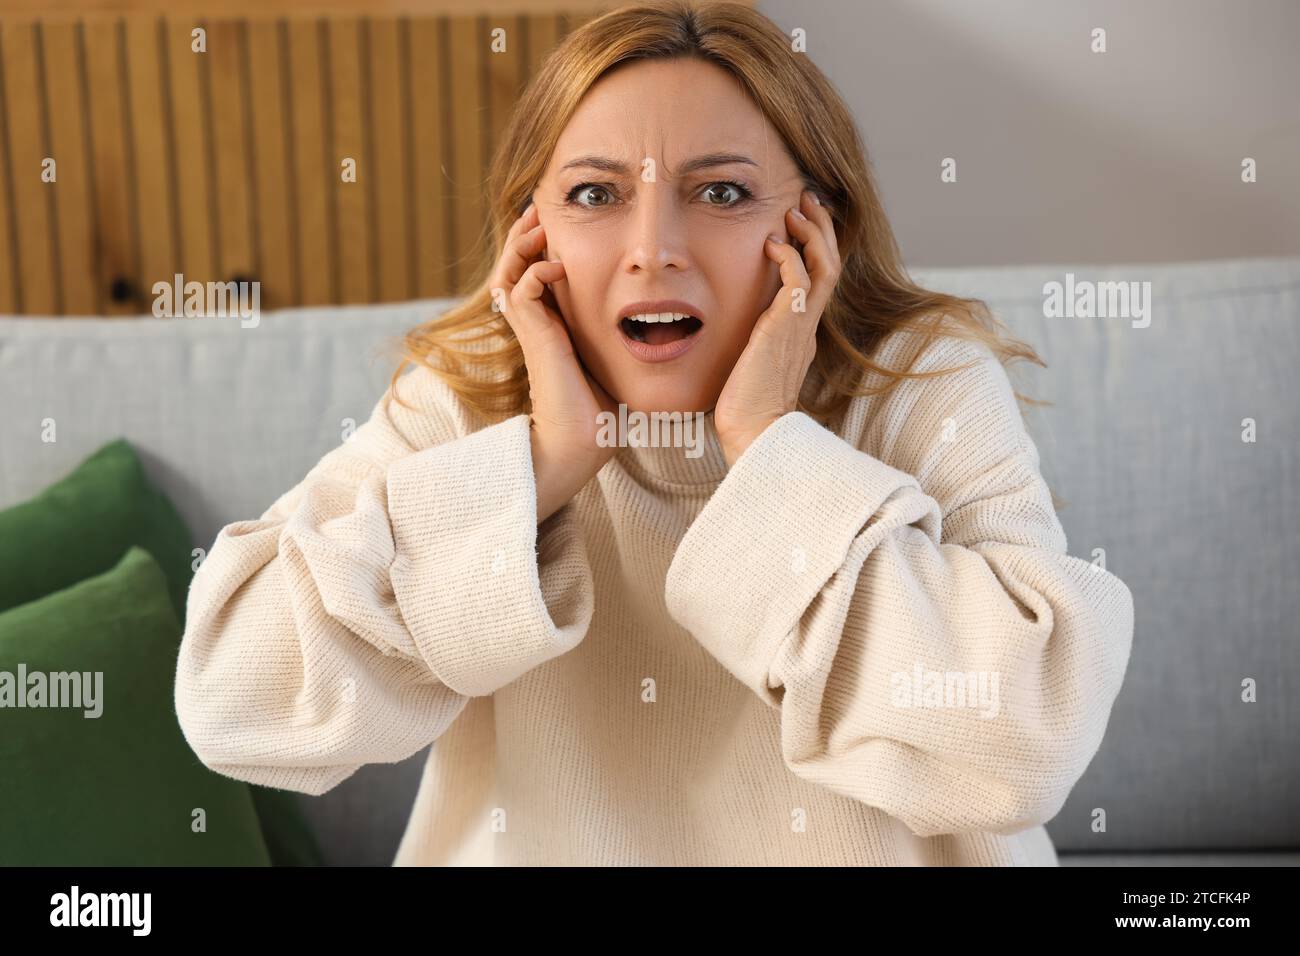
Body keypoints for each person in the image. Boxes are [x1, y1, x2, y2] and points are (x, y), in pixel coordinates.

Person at [175, 0, 1134, 866]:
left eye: (720, 193)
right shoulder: (470, 396)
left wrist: (765, 443)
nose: (652, 248)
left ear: (815, 232)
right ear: (533, 234)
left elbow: (1028, 742)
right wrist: (545, 466)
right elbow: (236, 702)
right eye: (596, 195)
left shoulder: (923, 381)